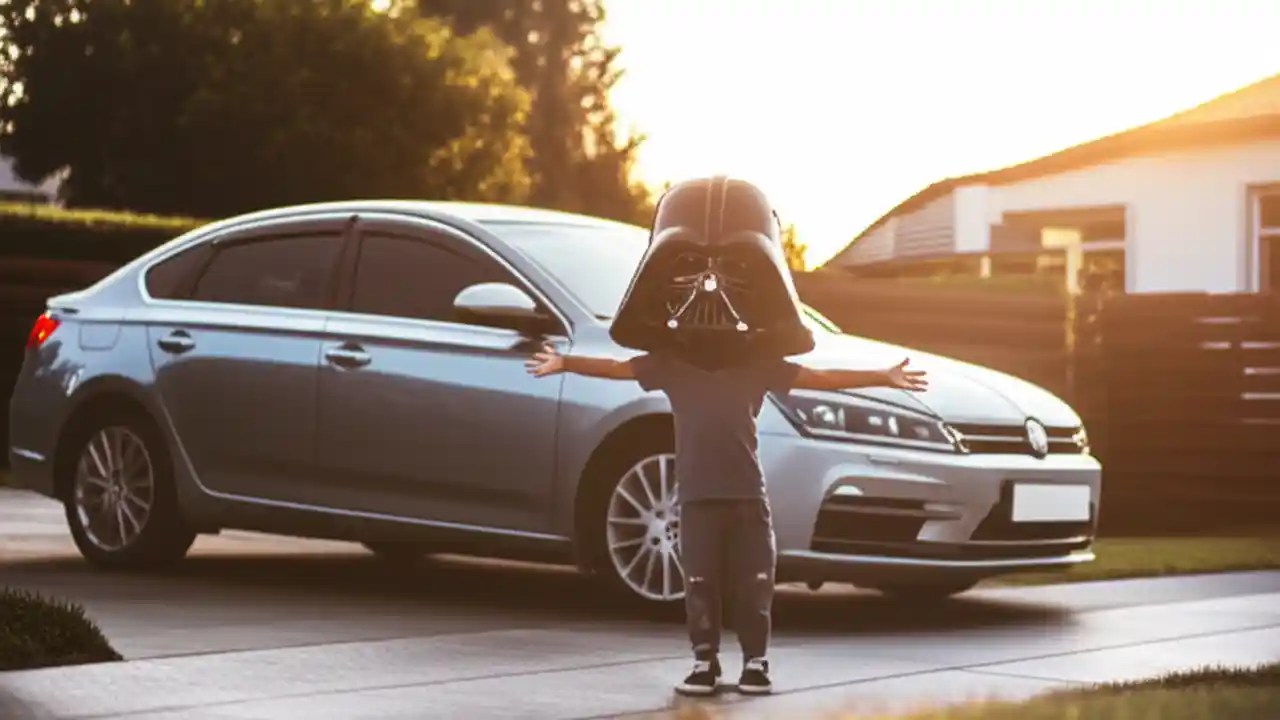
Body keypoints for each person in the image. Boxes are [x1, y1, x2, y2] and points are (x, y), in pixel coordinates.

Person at [525, 344, 928, 696]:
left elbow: (819, 377)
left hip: (747, 495)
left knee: (754, 582)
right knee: (700, 581)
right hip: (697, 497)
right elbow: (617, 368)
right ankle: (705, 663)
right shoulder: (670, 364)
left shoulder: (758, 364)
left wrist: (882, 376)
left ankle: (756, 662)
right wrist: (564, 362)